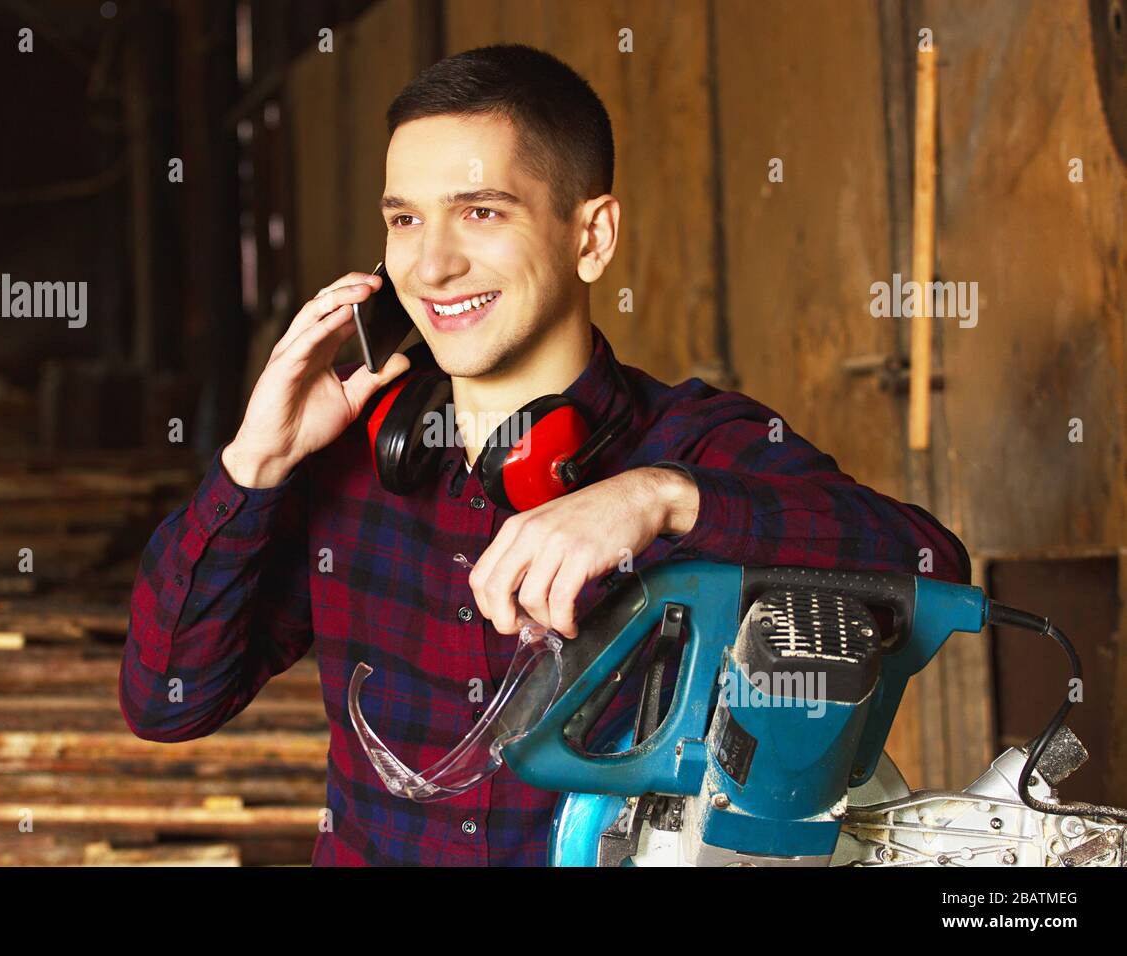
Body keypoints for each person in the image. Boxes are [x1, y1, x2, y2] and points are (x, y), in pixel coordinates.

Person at [119, 43, 970, 866]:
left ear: (591, 237)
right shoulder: (349, 462)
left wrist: (664, 500)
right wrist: (253, 466)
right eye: (405, 219)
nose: (433, 263)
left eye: (481, 212)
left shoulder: (691, 446)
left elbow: (932, 563)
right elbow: (165, 702)